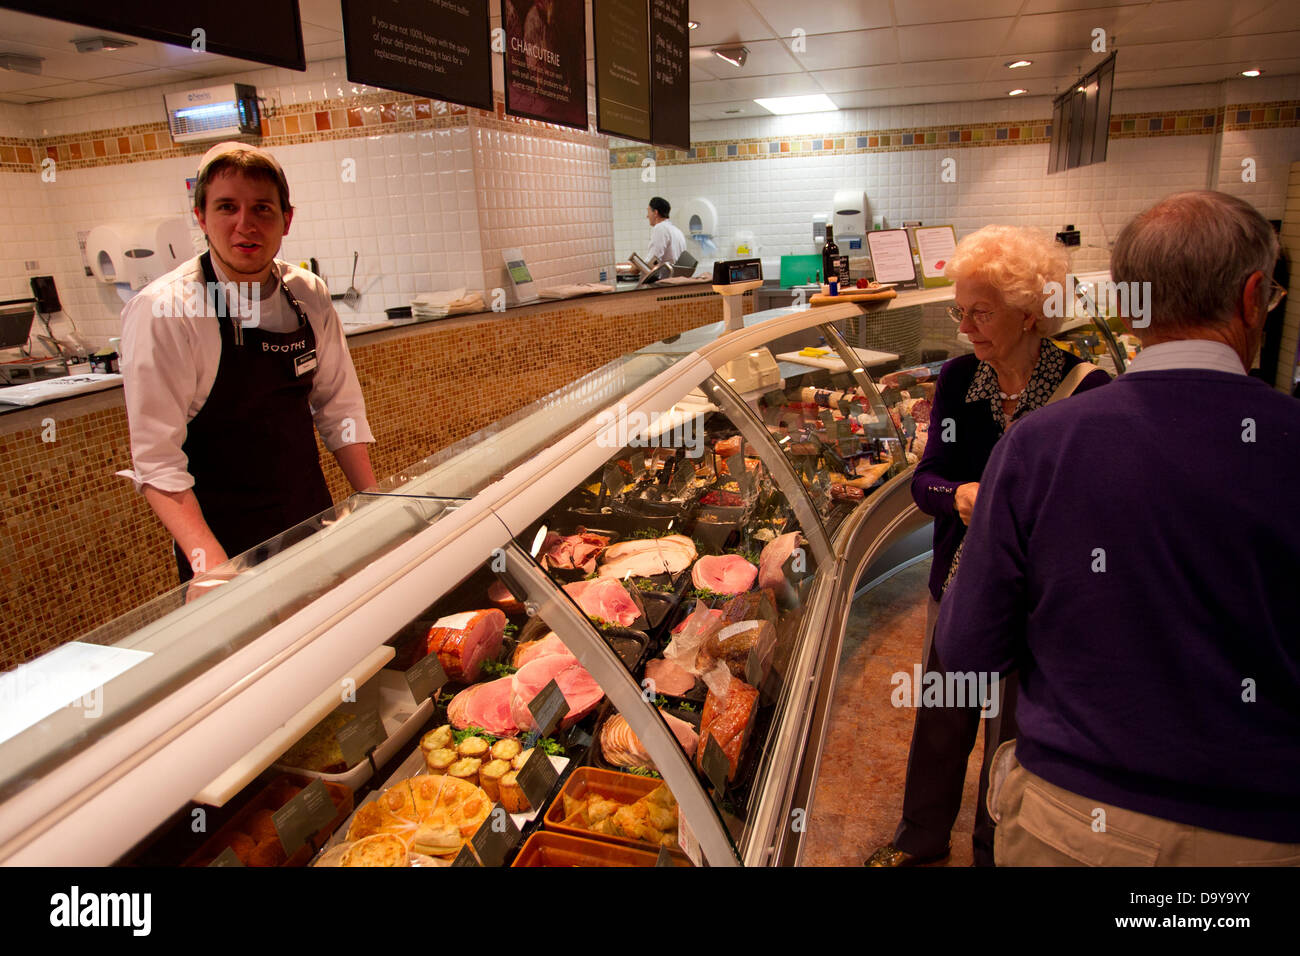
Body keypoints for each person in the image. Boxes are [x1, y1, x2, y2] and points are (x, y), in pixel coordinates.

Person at [936, 190, 1300, 865]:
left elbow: (968, 650)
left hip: (1069, 820)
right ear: (1254, 298)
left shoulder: (1042, 443)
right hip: (1262, 831)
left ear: (1130, 306)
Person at [866, 225, 1110, 867]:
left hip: (1041, 598)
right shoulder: (957, 380)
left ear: (1030, 315)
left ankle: (992, 847)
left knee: (1014, 734)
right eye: (959, 310)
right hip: (961, 584)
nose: (965, 326)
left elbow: (1094, 509)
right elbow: (927, 480)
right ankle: (918, 840)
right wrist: (960, 497)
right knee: (943, 720)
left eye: (980, 311)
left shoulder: (1089, 393)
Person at [121, 142, 376, 586]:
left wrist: (376, 504)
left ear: (286, 219)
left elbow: (340, 410)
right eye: (226, 207)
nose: (245, 225)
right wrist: (212, 566)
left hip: (311, 521)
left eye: (262, 209)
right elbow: (157, 461)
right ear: (201, 216)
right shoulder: (166, 310)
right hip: (224, 544)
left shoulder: (307, 293)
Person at [646, 197, 686, 266]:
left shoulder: (660, 228)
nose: (647, 216)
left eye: (648, 212)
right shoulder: (677, 231)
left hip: (665, 276)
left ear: (655, 212)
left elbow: (653, 259)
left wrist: (635, 267)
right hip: (677, 275)